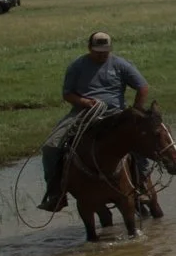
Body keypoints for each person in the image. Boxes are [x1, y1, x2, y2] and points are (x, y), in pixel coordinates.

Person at [39, 30, 151, 213]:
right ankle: (56, 193)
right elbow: (67, 94)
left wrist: (135, 111)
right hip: (82, 113)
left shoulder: (121, 64)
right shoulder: (77, 66)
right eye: (97, 51)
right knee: (51, 147)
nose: (101, 55)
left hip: (116, 113)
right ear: (89, 48)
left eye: (105, 51)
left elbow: (142, 87)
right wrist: (84, 102)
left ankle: (142, 184)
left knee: (140, 142)